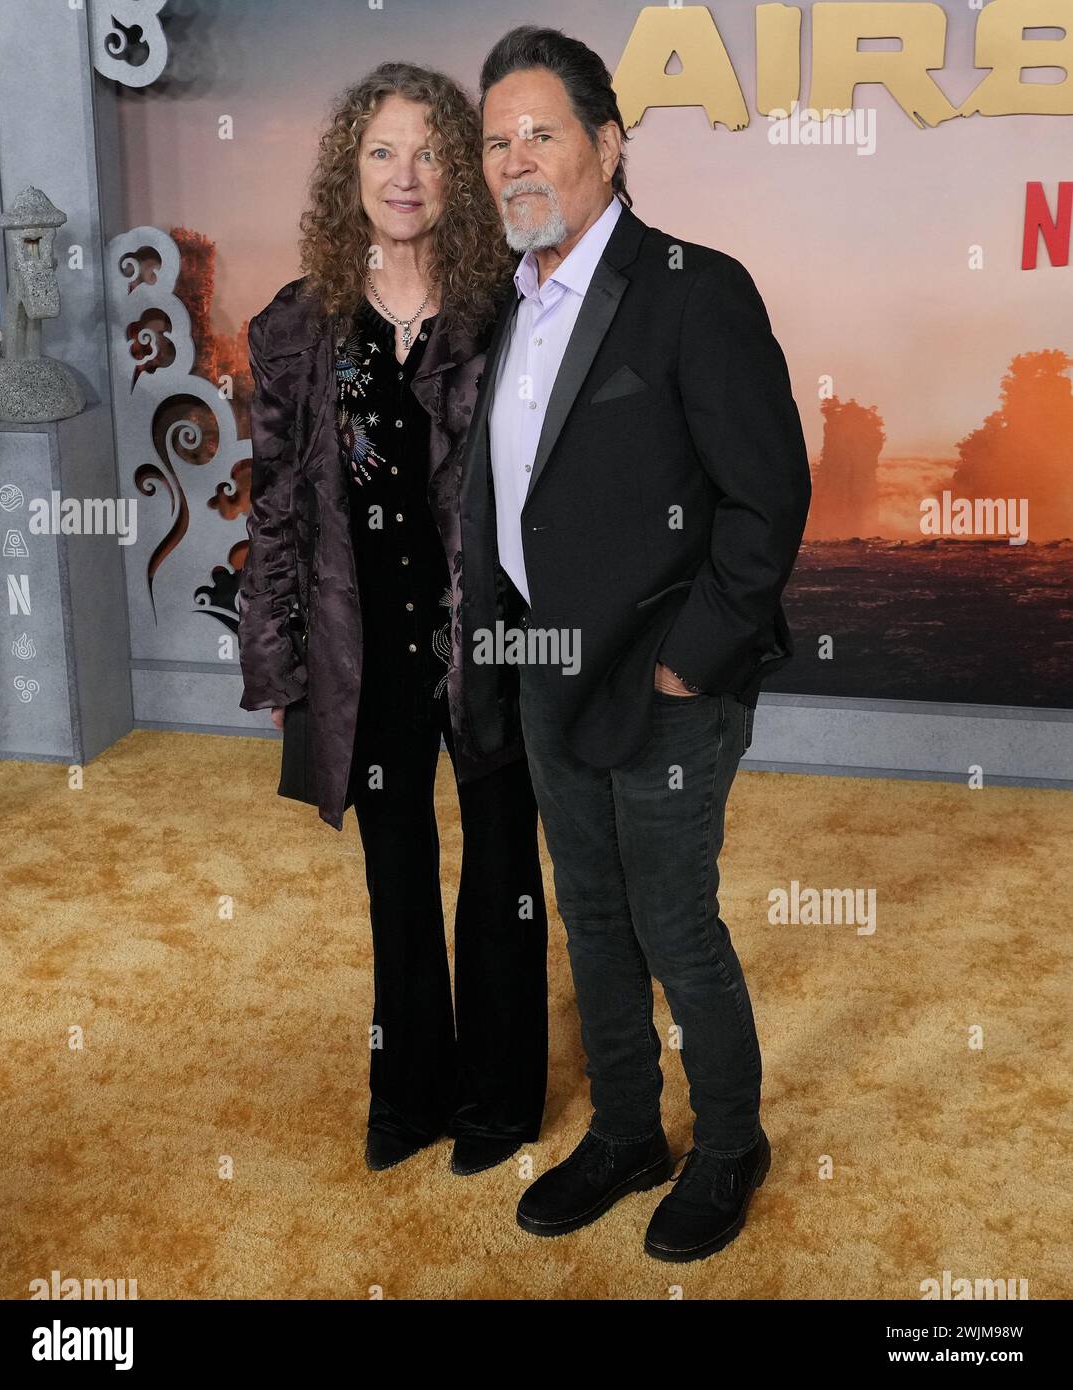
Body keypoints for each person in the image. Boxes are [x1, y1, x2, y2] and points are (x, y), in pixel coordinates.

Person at [459, 26, 811, 1258]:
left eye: (540, 132)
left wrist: (686, 658)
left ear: (608, 144)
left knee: (673, 924)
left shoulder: (692, 289)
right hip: (547, 667)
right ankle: (624, 1132)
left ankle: (728, 1145)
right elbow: (517, 491)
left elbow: (767, 498)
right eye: (496, 140)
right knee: (592, 919)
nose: (516, 160)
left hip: (664, 678)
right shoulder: (509, 301)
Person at [238, 63, 548, 1177]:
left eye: (427, 151)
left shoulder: (508, 313)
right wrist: (278, 664)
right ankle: (408, 1088)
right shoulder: (295, 329)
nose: (404, 174)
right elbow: (275, 506)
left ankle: (501, 1097)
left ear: (457, 173)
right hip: (359, 643)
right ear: (348, 173)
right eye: (380, 151)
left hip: (488, 638)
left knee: (504, 860)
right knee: (398, 867)